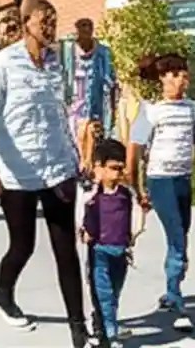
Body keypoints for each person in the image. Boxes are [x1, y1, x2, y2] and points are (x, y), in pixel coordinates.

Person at [0, 0, 91, 348]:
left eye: (54, 22)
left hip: (57, 168)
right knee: (22, 246)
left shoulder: (57, 63)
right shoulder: (4, 63)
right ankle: (4, 294)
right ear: (26, 22)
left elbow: (64, 113)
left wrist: (78, 155)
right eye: (45, 21)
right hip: (17, 173)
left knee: (66, 249)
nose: (50, 28)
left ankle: (79, 329)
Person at [127, 52, 195, 333]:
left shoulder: (192, 108)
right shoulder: (151, 111)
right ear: (163, 78)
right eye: (178, 73)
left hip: (183, 180)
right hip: (161, 181)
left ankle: (171, 292)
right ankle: (178, 302)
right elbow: (134, 152)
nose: (184, 78)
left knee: (181, 238)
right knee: (178, 240)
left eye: (185, 73)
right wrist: (138, 189)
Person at [81, 138, 143, 348]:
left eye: (121, 168)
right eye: (114, 168)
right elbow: (79, 213)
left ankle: (102, 322)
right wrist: (82, 230)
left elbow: (137, 214)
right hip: (98, 249)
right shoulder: (91, 194)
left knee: (114, 292)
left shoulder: (126, 194)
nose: (119, 173)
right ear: (100, 167)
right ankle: (110, 333)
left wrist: (134, 234)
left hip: (120, 250)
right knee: (103, 292)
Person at [64, 18, 118, 138]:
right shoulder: (67, 52)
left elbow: (111, 84)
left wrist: (112, 112)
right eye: (82, 27)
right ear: (77, 30)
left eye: (89, 27)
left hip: (96, 112)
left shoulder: (104, 53)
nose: (86, 31)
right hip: (73, 113)